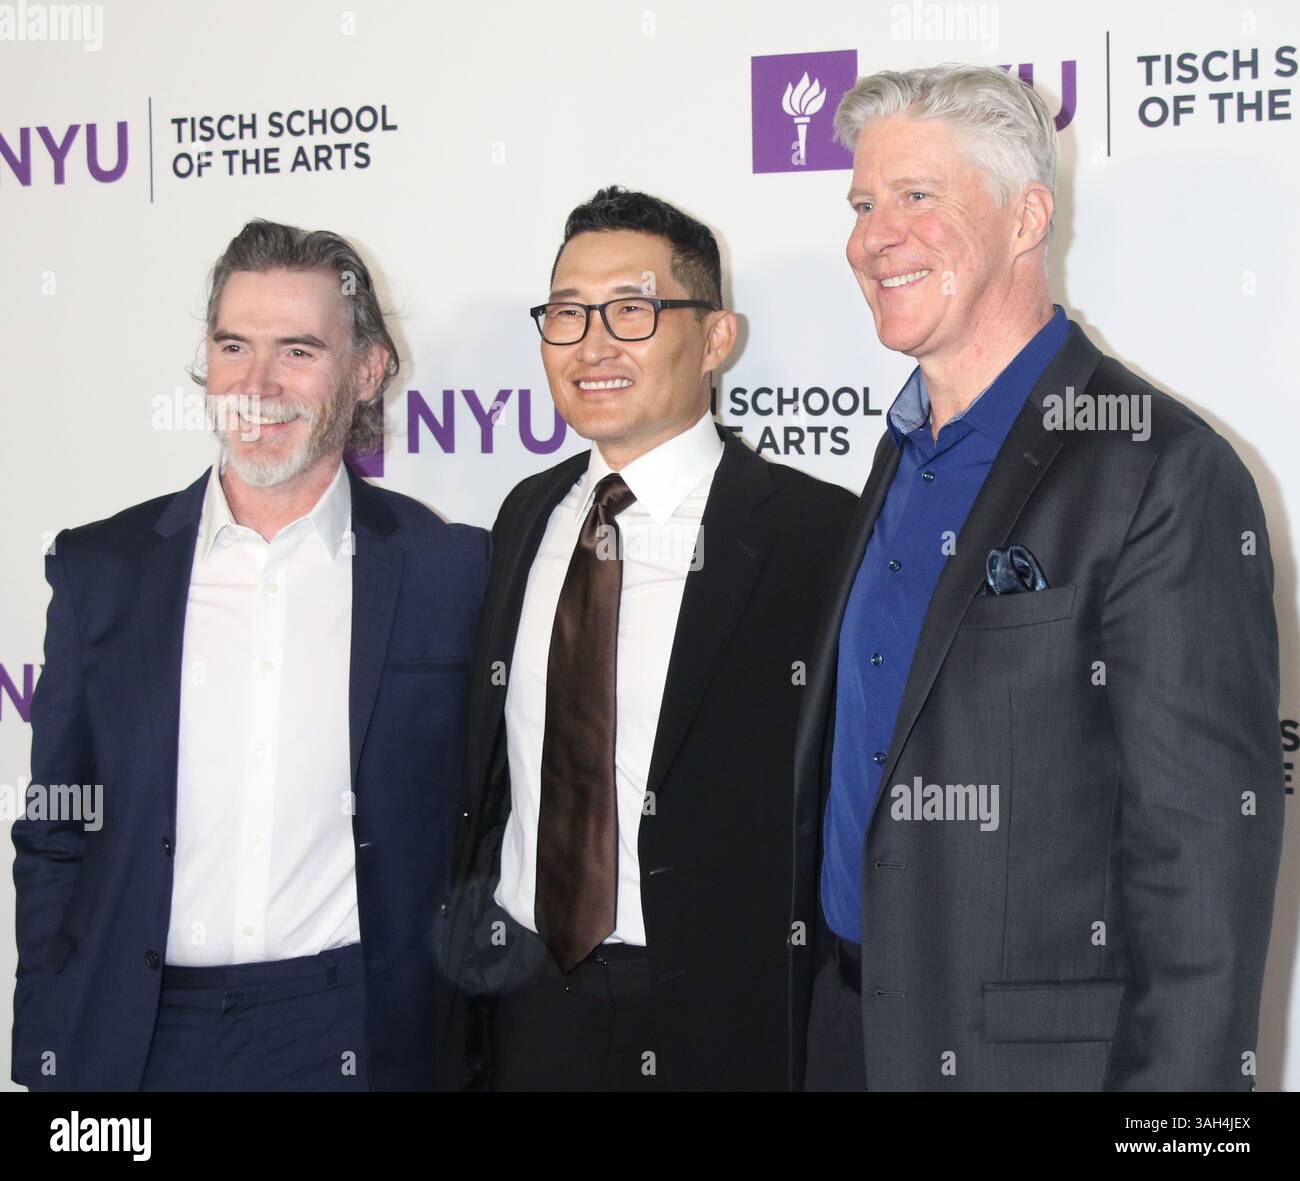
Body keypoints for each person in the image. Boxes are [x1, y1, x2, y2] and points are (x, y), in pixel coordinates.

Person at [792, 63, 1283, 1091]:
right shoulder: (896, 451)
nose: (872, 236)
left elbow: (1201, 883)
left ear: (1026, 218)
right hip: (847, 1030)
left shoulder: (1162, 469)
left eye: (917, 197)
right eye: (862, 202)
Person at [11, 219, 488, 1091]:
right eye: (234, 345)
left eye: (298, 350)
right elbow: (54, 826)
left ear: (368, 369)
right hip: (136, 1038)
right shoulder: (101, 571)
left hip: (358, 1028)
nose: (256, 384)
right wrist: (51, 1034)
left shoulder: (447, 572)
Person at [443, 186, 856, 1090]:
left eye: (631, 310)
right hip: (525, 1004)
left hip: (726, 1017)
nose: (592, 344)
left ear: (715, 338)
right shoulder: (526, 515)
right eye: (565, 313)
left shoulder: (819, 537)